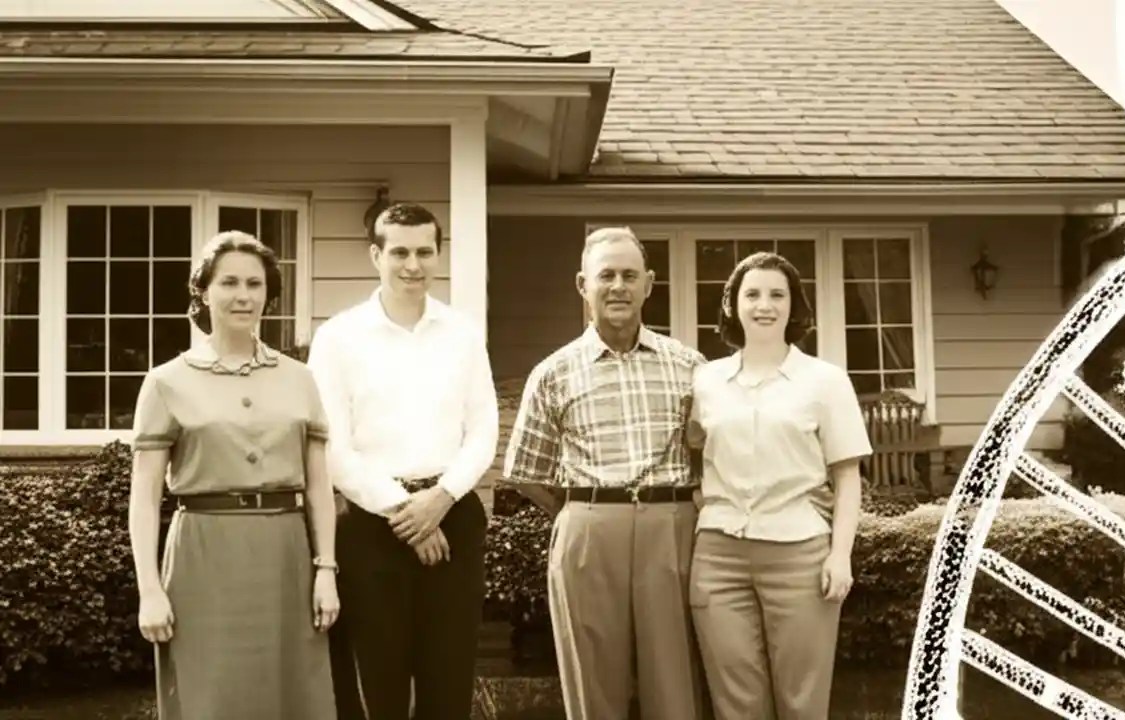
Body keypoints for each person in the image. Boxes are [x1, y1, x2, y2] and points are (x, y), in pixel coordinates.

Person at [128, 231, 340, 720]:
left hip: (286, 557)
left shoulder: (300, 379)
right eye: (228, 283)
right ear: (203, 292)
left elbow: (319, 487)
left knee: (292, 694)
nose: (243, 295)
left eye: (254, 283)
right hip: (203, 558)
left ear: (268, 294)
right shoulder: (165, 382)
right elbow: (144, 498)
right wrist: (149, 590)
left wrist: (326, 570)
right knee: (212, 696)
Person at [503, 226, 708, 720]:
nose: (618, 286)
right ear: (583, 285)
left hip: (670, 525)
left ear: (648, 284)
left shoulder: (690, 366)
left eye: (629, 276)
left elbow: (711, 454)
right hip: (590, 529)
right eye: (606, 275)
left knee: (675, 678)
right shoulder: (553, 372)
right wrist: (583, 511)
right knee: (592, 679)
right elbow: (525, 470)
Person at [307, 201, 498, 720]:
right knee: (378, 682)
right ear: (376, 255)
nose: (413, 265)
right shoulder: (338, 338)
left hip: (452, 515)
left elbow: (483, 429)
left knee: (449, 679)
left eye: (424, 252)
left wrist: (440, 499)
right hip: (370, 526)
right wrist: (403, 510)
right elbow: (331, 446)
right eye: (399, 253)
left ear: (437, 255)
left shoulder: (462, 334)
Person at [686, 251, 871, 720]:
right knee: (735, 703)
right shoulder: (706, 381)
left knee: (802, 701)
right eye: (751, 294)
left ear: (794, 306)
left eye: (776, 295)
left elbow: (847, 476)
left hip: (799, 555)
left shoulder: (826, 381)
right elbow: (693, 454)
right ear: (732, 305)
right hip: (718, 557)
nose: (764, 305)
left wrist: (840, 555)